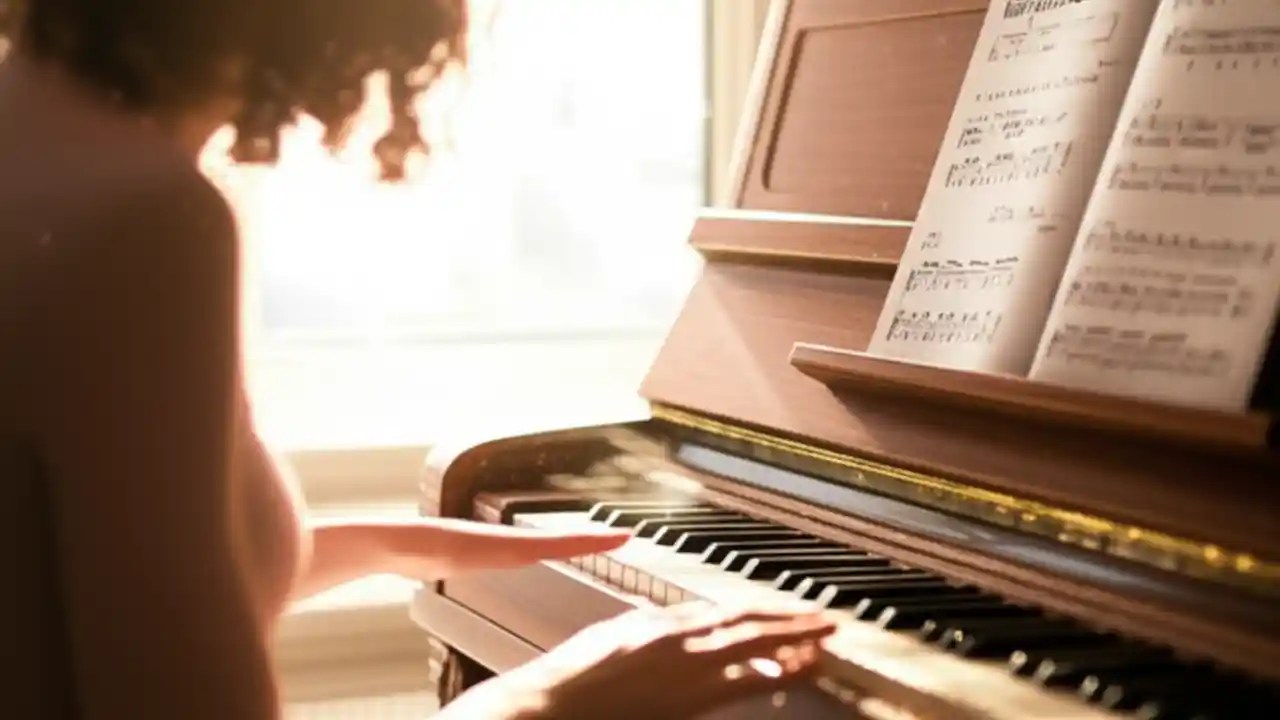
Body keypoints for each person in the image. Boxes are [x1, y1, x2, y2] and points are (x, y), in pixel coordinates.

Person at [0, 2, 838, 718]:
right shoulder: (143, 216)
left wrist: (346, 545)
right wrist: (551, 698)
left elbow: (59, 589)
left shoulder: (36, 144)